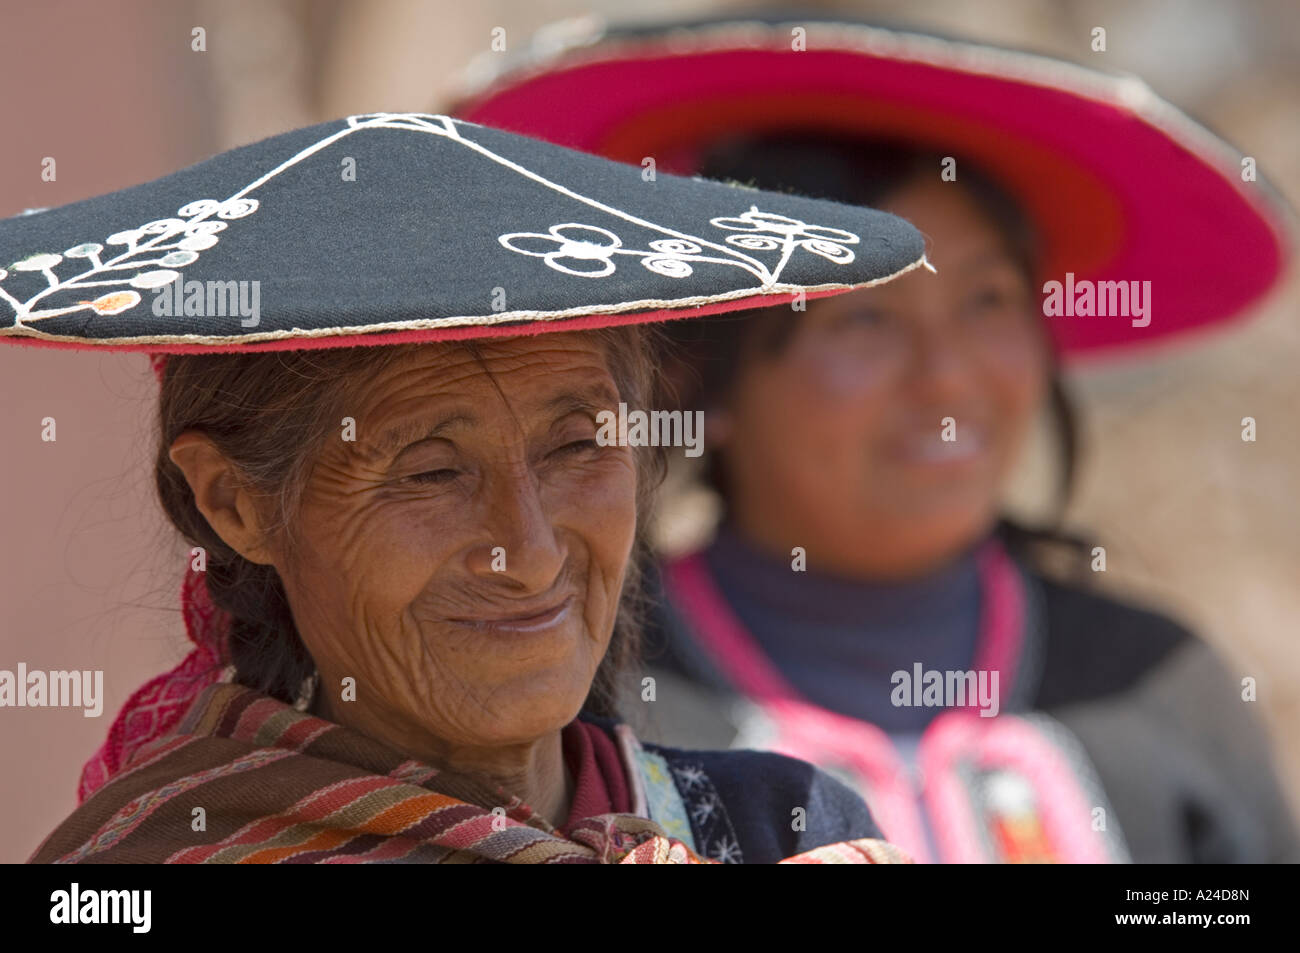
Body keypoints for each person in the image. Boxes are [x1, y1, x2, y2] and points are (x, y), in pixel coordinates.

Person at [457, 17, 1300, 863]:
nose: (949, 378)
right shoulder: (584, 700)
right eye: (867, 319)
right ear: (704, 379)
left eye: (987, 301)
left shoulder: (1153, 682)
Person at [4, 111, 927, 863]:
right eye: (431, 472)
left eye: (576, 446)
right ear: (234, 504)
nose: (527, 552)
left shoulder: (786, 826)